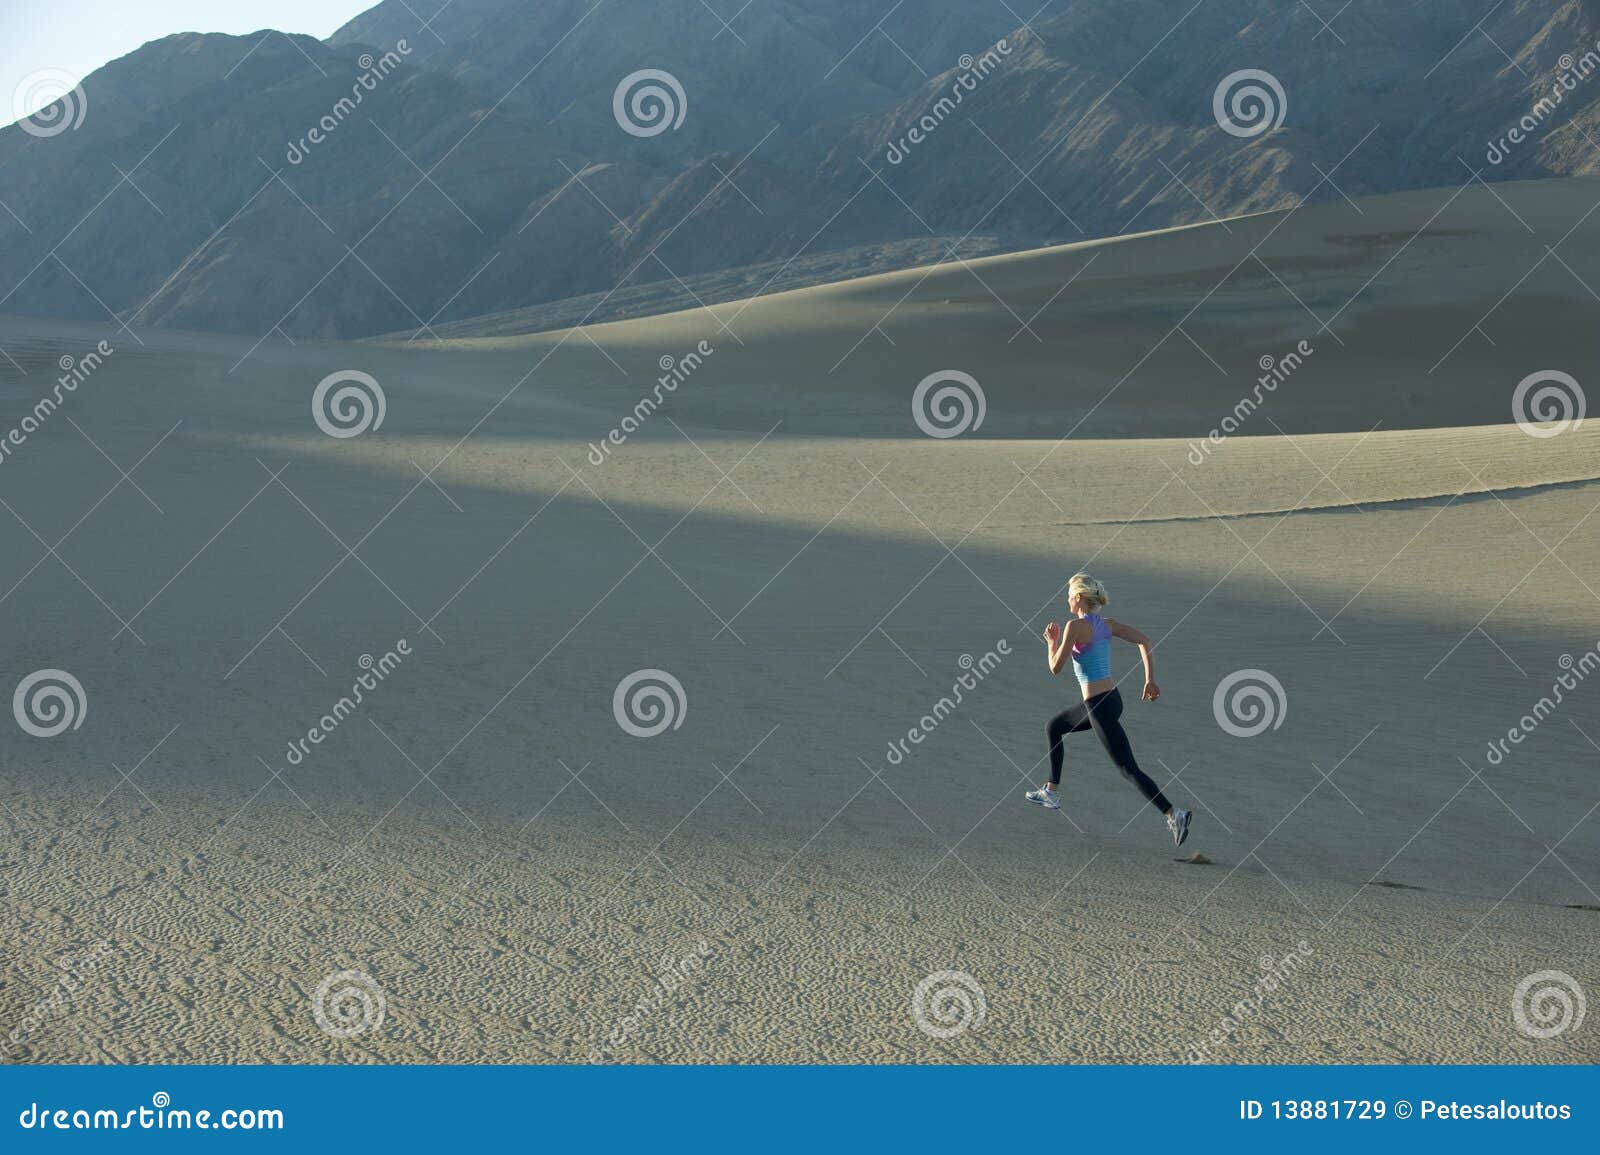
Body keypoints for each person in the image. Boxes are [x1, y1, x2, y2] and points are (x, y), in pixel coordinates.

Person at [1025, 572, 1192, 847]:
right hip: (1110, 700)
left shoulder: (1074, 627)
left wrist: (1051, 643)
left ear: (1078, 598)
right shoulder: (1107, 624)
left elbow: (1055, 667)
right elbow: (1144, 641)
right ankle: (1051, 791)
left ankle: (1175, 814)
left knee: (1127, 768)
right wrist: (1149, 679)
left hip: (1098, 706)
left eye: (1068, 596)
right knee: (1054, 726)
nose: (1066, 600)